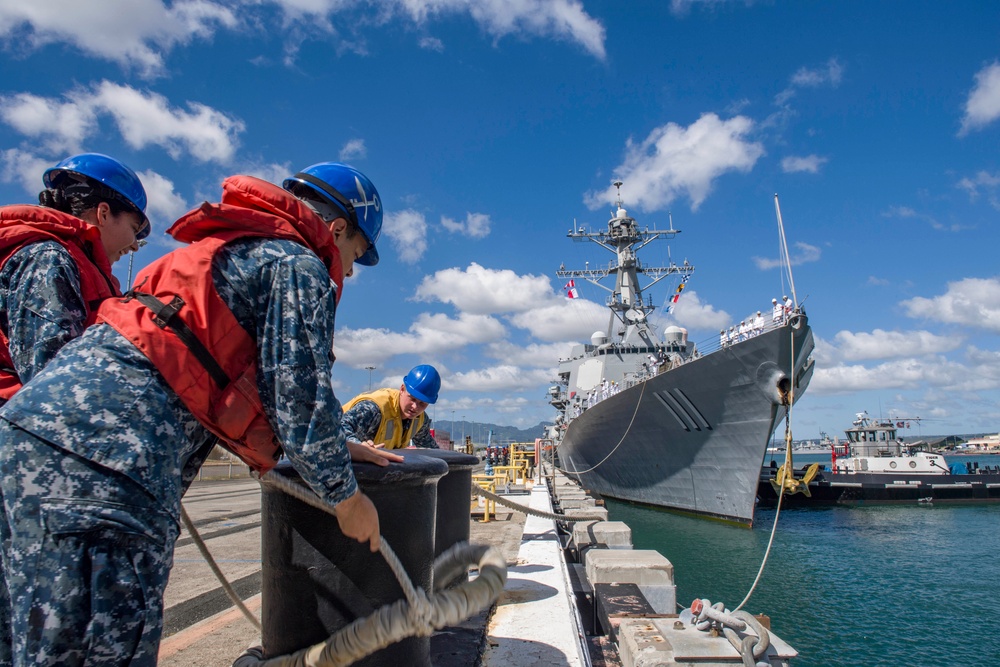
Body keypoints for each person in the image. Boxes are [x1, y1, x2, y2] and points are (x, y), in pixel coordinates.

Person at [0, 162, 384, 665]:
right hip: (111, 471)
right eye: (354, 254)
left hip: (27, 443)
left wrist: (338, 438)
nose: (349, 270)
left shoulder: (225, 251)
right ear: (336, 229)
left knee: (30, 644)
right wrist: (348, 498)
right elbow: (299, 399)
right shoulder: (298, 265)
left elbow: (237, 378)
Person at [0, 153, 150, 406]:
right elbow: (51, 378)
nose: (135, 245)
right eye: (134, 230)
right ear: (103, 213)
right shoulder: (47, 258)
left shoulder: (68, 261)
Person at [342, 364, 442, 450]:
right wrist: (360, 447)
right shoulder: (373, 409)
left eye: (422, 403)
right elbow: (338, 427)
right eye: (412, 399)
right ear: (402, 389)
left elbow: (430, 448)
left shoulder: (420, 420)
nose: (415, 407)